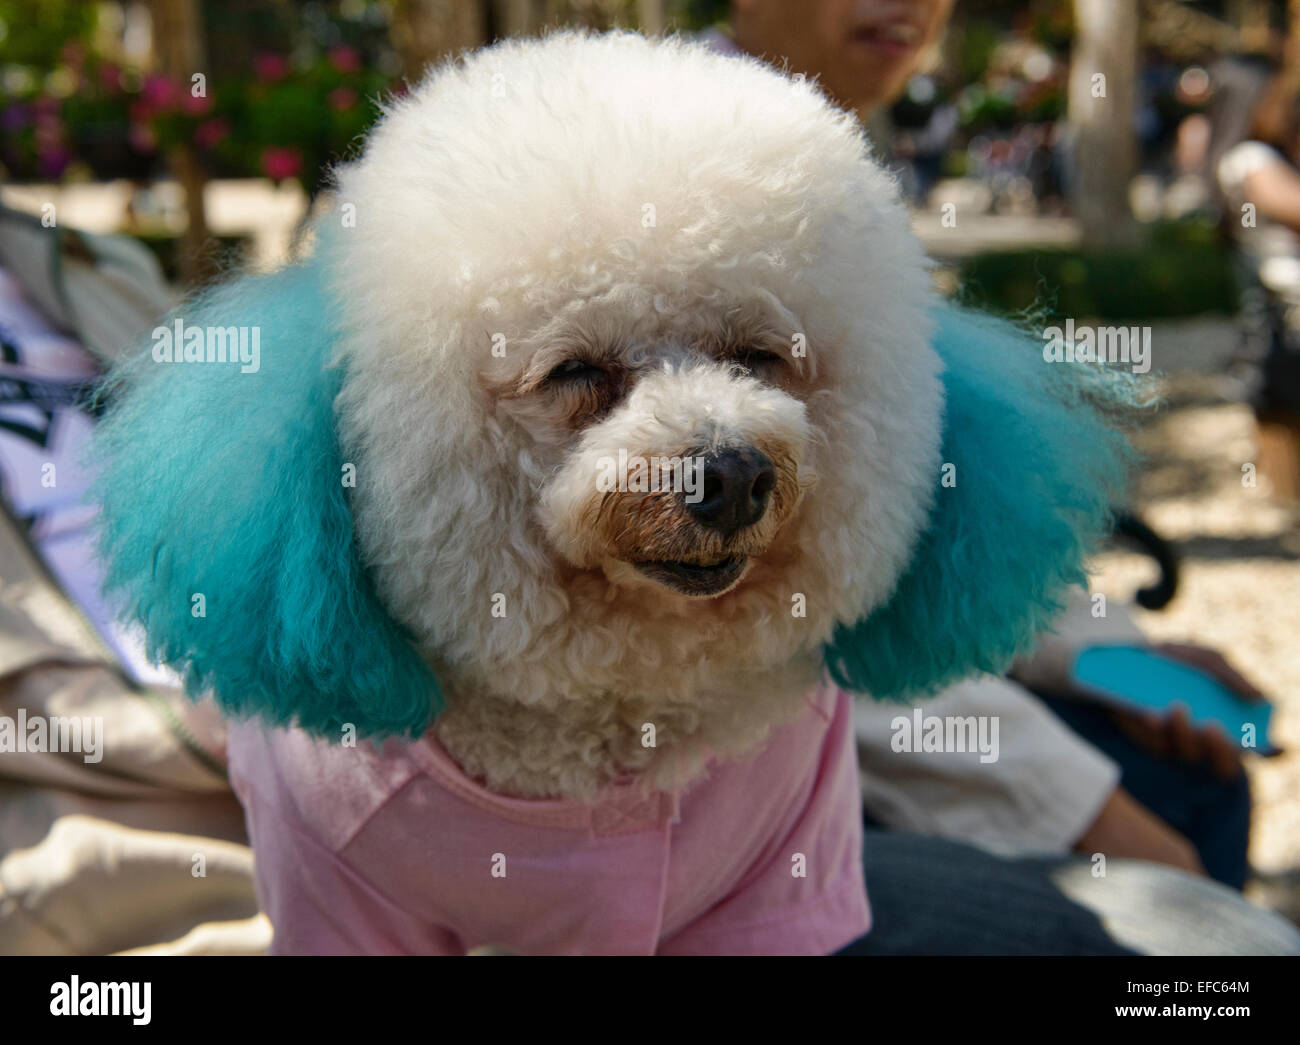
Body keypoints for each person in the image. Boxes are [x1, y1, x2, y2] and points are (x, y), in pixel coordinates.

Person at [704, 0, 1299, 954]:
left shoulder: (820, 149)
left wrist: (1104, 653)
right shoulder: (700, 169)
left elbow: (913, 521)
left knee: (1195, 781)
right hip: (718, 787)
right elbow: (752, 624)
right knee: (1212, 934)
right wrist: (1070, 799)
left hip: (847, 715)